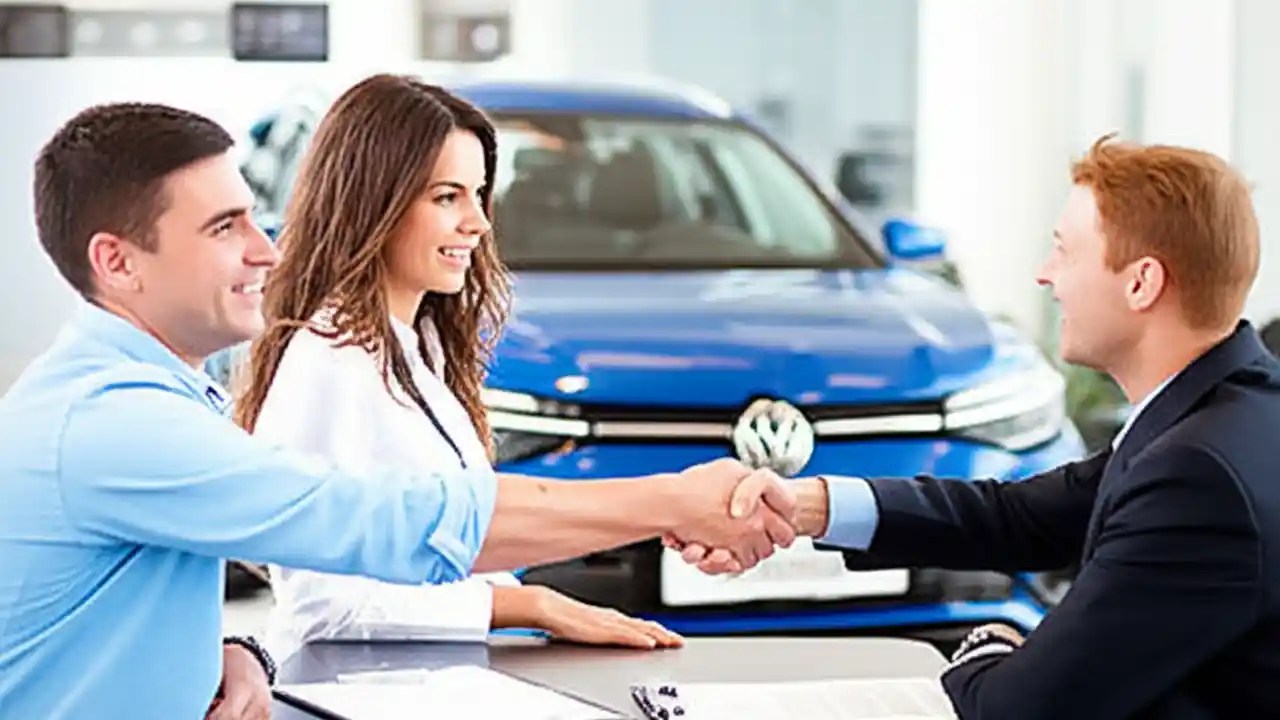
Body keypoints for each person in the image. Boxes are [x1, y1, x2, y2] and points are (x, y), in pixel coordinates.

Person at [0, 101, 795, 719]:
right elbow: (374, 524)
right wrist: (670, 501)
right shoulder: (111, 422)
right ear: (117, 262)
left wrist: (230, 650)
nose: (265, 249)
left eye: (251, 215)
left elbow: (105, 612)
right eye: (224, 227)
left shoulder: (141, 399)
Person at [675, 135, 1280, 719]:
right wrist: (812, 507)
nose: (1046, 276)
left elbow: (1020, 708)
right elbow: (1024, 516)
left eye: (1064, 252)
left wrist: (985, 647)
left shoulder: (1201, 474)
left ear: (1141, 283)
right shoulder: (1228, 414)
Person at [232, 74, 681, 663]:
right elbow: (322, 606)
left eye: (479, 194)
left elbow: (444, 557)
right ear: (375, 204)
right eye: (447, 197)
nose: (479, 223)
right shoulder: (330, 359)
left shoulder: (418, 345)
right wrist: (533, 606)